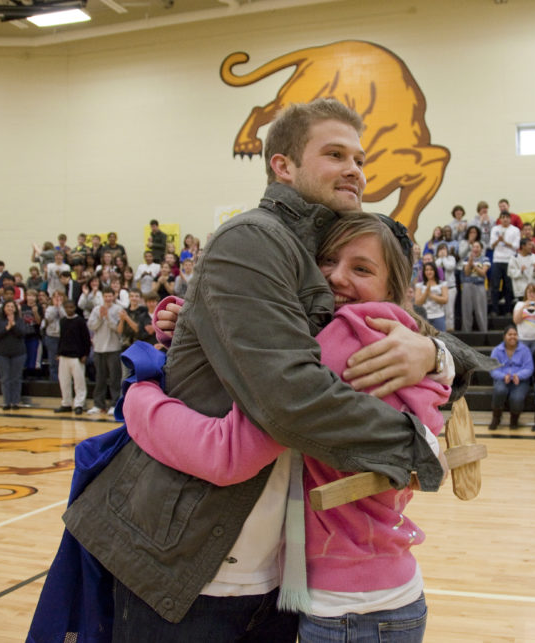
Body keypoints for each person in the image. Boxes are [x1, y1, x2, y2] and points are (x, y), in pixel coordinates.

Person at [60, 98, 484, 642]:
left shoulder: (318, 256)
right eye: (335, 154)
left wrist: (436, 354)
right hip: (195, 564)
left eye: (360, 158)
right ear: (282, 165)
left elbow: (400, 326)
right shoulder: (254, 239)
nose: (355, 169)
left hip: (281, 576)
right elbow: (290, 401)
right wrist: (417, 446)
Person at [105, 216, 449, 642]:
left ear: (393, 288)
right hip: (378, 580)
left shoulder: (346, 336)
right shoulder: (402, 336)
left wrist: (139, 395)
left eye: (361, 269)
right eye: (326, 260)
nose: (337, 276)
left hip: (346, 599)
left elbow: (229, 451)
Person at [489, 325, 533, 431]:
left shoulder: (525, 350)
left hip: (520, 381)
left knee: (516, 398)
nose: (512, 337)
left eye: (515, 334)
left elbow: (529, 368)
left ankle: (514, 420)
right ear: (504, 336)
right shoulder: (497, 350)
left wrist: (519, 375)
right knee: (499, 390)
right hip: (502, 379)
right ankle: (496, 418)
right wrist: (503, 376)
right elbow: (492, 369)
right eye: (510, 334)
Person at [87, 289, 123, 415]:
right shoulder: (96, 309)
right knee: (100, 378)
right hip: (98, 348)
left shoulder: (118, 309)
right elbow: (92, 326)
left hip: (113, 348)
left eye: (110, 296)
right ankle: (98, 404)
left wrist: (107, 317)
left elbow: (118, 328)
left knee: (114, 378)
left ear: (114, 296)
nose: (108, 298)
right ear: (102, 297)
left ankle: (114, 404)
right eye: (106, 296)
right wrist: (101, 318)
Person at [54, 298, 91, 414]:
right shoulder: (63, 321)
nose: (69, 309)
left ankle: (79, 404)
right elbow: (61, 338)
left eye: (71, 307)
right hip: (64, 356)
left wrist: (85, 354)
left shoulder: (80, 321)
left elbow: (86, 339)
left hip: (77, 357)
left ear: (75, 308)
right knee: (64, 381)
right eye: (67, 307)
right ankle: (66, 403)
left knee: (79, 382)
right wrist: (58, 352)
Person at [0, 300, 26, 411]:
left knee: (16, 378)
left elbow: (22, 333)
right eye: (8, 306)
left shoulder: (20, 321)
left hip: (18, 353)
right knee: (5, 378)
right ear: (4, 308)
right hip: (2, 353)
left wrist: (13, 325)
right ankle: (6, 402)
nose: (10, 308)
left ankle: (15, 402)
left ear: (15, 309)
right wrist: (7, 328)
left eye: (12, 306)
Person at [488, 210, 520, 314]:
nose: (505, 219)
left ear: (510, 219)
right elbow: (491, 245)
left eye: (507, 217)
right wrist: (498, 240)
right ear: (500, 219)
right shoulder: (495, 229)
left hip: (509, 260)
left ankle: (508, 310)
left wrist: (504, 241)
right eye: (503, 217)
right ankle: (495, 310)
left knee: (508, 287)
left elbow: (516, 246)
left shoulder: (515, 230)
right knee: (495, 286)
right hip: (497, 260)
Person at [460, 240, 490, 332]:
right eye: (474, 247)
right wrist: (470, 263)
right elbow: (467, 273)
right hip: (467, 285)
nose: (475, 249)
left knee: (481, 310)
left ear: (481, 249)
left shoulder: (485, 259)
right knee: (466, 310)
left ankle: (484, 332)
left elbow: (482, 273)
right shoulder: (466, 259)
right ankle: (466, 331)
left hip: (479, 285)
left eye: (477, 247)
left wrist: (473, 265)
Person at [415, 261, 448, 332]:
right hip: (424, 317)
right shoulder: (419, 285)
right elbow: (418, 302)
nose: (429, 272)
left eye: (431, 269)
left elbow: (445, 300)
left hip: (439, 316)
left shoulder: (442, 284)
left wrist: (431, 295)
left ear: (435, 271)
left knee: (442, 339)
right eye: (426, 270)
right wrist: (426, 292)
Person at [513, 283, 535, 351]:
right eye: (529, 292)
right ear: (526, 293)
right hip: (522, 338)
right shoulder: (519, 304)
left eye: (534, 292)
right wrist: (523, 307)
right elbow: (516, 321)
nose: (532, 294)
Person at [508, 238, 535, 303]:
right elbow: (510, 272)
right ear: (523, 246)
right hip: (521, 290)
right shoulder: (514, 258)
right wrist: (520, 271)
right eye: (529, 245)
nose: (531, 247)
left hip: (534, 289)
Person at [434, 243, 457, 331]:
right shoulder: (436, 259)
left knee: (449, 311)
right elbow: (436, 268)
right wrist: (440, 258)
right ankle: (441, 330)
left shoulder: (451, 258)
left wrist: (444, 258)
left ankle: (450, 330)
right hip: (438, 288)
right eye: (441, 249)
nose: (443, 251)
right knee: (440, 311)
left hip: (450, 288)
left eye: (444, 249)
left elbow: (449, 267)